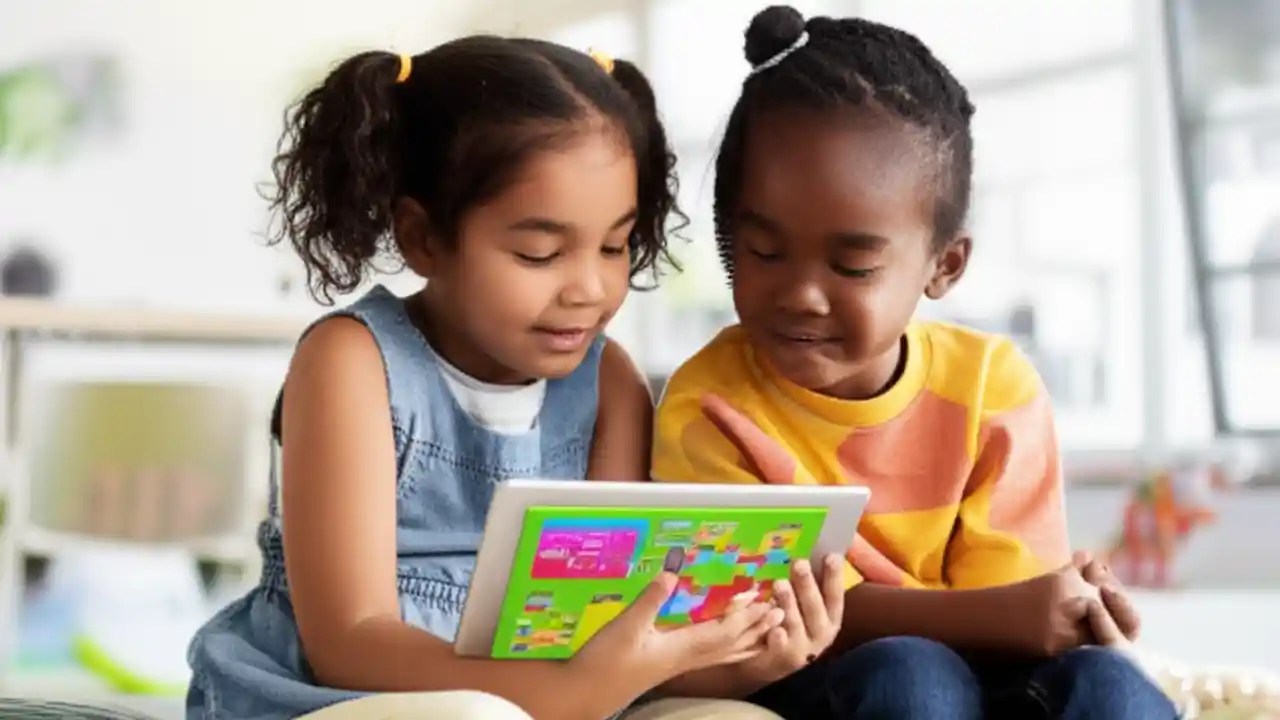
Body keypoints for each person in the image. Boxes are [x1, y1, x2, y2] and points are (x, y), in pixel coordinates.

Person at [186, 36, 784, 720]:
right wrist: (565, 692)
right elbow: (347, 644)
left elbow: (609, 628)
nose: (589, 287)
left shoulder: (609, 381)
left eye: (615, 245)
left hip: (562, 699)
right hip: (339, 698)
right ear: (423, 238)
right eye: (539, 253)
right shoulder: (352, 363)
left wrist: (739, 664)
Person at [649, 7, 1178, 719]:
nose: (802, 295)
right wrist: (1010, 612)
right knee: (914, 676)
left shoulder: (993, 385)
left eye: (853, 264)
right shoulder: (709, 403)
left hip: (991, 677)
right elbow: (757, 616)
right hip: (835, 678)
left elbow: (1017, 618)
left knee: (1110, 686)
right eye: (764, 252)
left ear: (944, 265)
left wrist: (1059, 610)